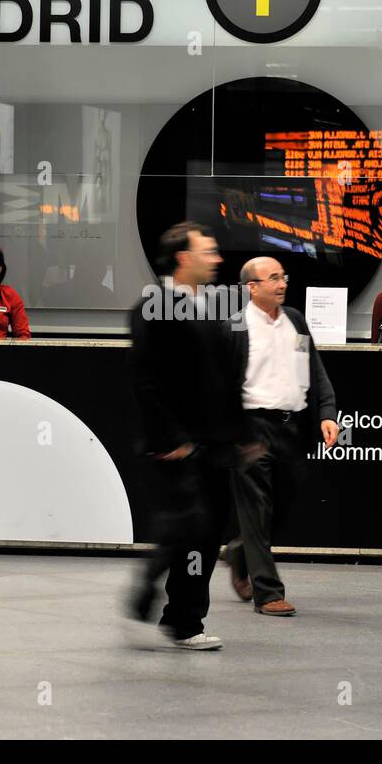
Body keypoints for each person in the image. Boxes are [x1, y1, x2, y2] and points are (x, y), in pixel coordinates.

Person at [126, 222, 249, 651]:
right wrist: (169, 437)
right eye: (207, 251)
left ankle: (179, 616)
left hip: (214, 442)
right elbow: (147, 381)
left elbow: (221, 379)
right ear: (183, 258)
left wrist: (240, 434)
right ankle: (174, 612)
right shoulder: (153, 308)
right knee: (189, 527)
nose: (216, 259)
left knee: (206, 532)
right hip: (177, 444)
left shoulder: (210, 307)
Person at [225, 257, 339, 616]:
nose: (281, 283)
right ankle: (268, 592)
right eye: (272, 278)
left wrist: (327, 412)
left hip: (292, 427)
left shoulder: (295, 320)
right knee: (256, 508)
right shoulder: (235, 328)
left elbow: (315, 369)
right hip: (251, 428)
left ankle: (239, 551)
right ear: (251, 287)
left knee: (284, 502)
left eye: (283, 276)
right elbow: (220, 386)